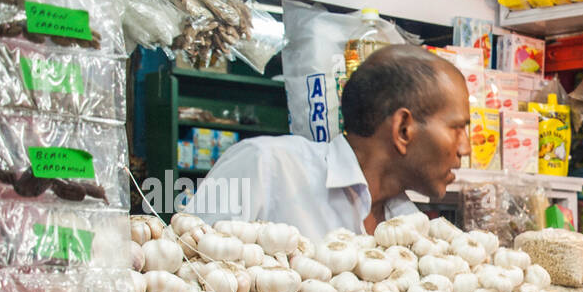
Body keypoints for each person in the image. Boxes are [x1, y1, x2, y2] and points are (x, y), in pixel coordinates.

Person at [197, 45, 471, 238]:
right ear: (403, 129)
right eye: (457, 128)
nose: (465, 148)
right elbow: (183, 275)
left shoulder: (414, 229)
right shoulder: (265, 164)